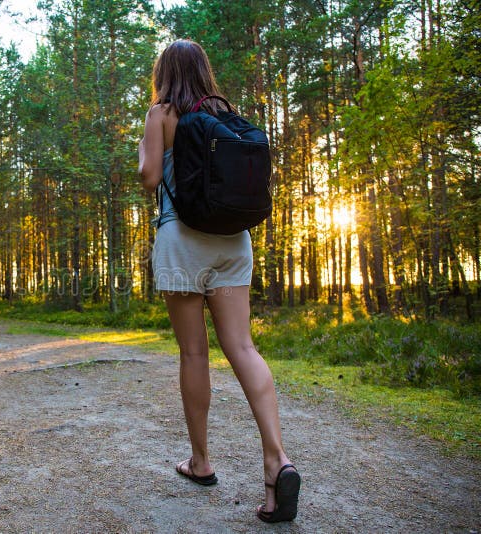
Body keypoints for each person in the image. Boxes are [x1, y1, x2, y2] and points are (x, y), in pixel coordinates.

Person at [137, 39, 300, 523]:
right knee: (244, 348)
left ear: (163, 73)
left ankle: (202, 462)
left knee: (194, 354)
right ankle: (277, 461)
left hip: (183, 245)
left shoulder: (162, 113)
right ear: (204, 71)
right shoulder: (226, 113)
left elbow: (148, 178)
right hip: (233, 244)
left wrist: (147, 149)